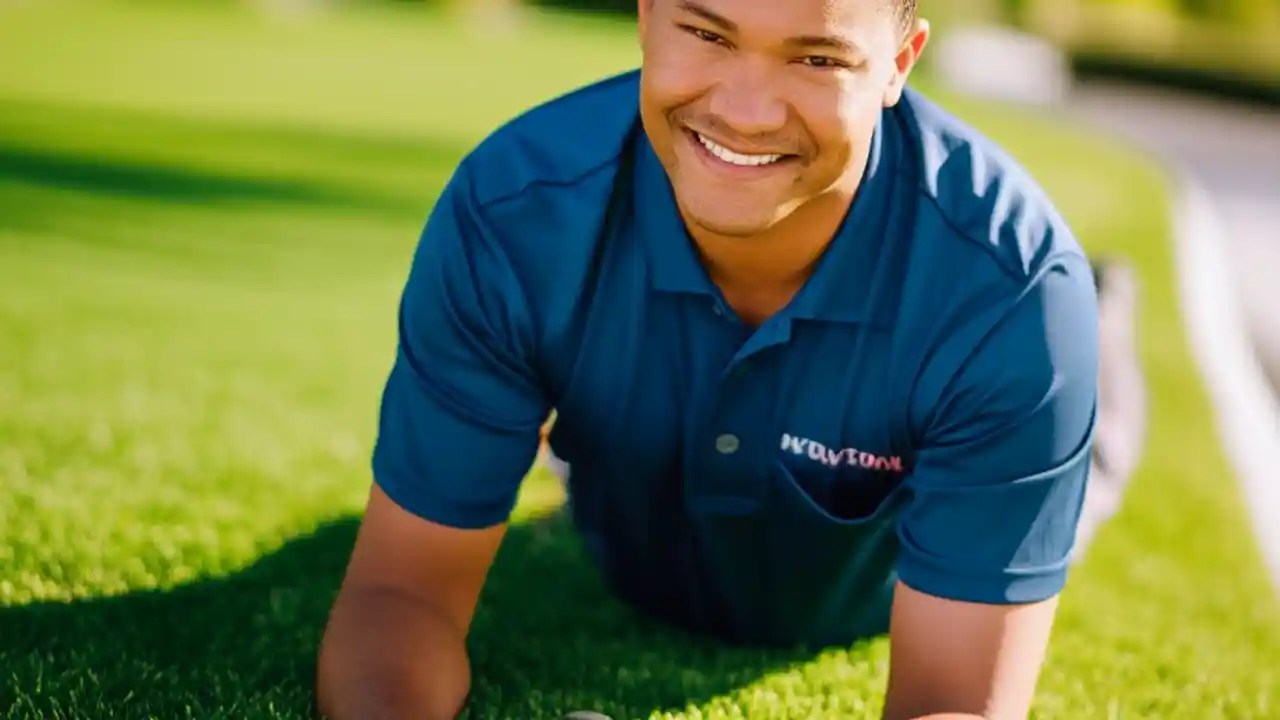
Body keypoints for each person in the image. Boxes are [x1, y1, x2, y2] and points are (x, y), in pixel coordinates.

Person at [315, 1, 1149, 718]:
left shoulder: (1012, 296)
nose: (747, 113)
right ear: (646, 16)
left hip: (899, 547)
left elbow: (954, 697)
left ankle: (1103, 327)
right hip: (653, 540)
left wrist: (1058, 335)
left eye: (818, 57)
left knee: (1089, 453)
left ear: (899, 65)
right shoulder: (512, 218)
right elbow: (400, 595)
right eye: (709, 35)